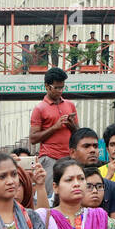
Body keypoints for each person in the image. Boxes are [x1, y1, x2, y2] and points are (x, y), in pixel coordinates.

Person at [29, 68, 78, 196]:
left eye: (62, 87)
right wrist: (54, 127)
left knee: (70, 193)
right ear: (47, 86)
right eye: (56, 88)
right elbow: (33, 138)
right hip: (49, 159)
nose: (60, 91)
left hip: (69, 158)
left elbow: (78, 134)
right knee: (50, 196)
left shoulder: (70, 105)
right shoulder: (39, 109)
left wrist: (71, 125)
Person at [70, 128, 115, 224]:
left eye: (95, 146)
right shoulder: (66, 184)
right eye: (86, 146)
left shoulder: (113, 187)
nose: (92, 150)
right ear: (72, 153)